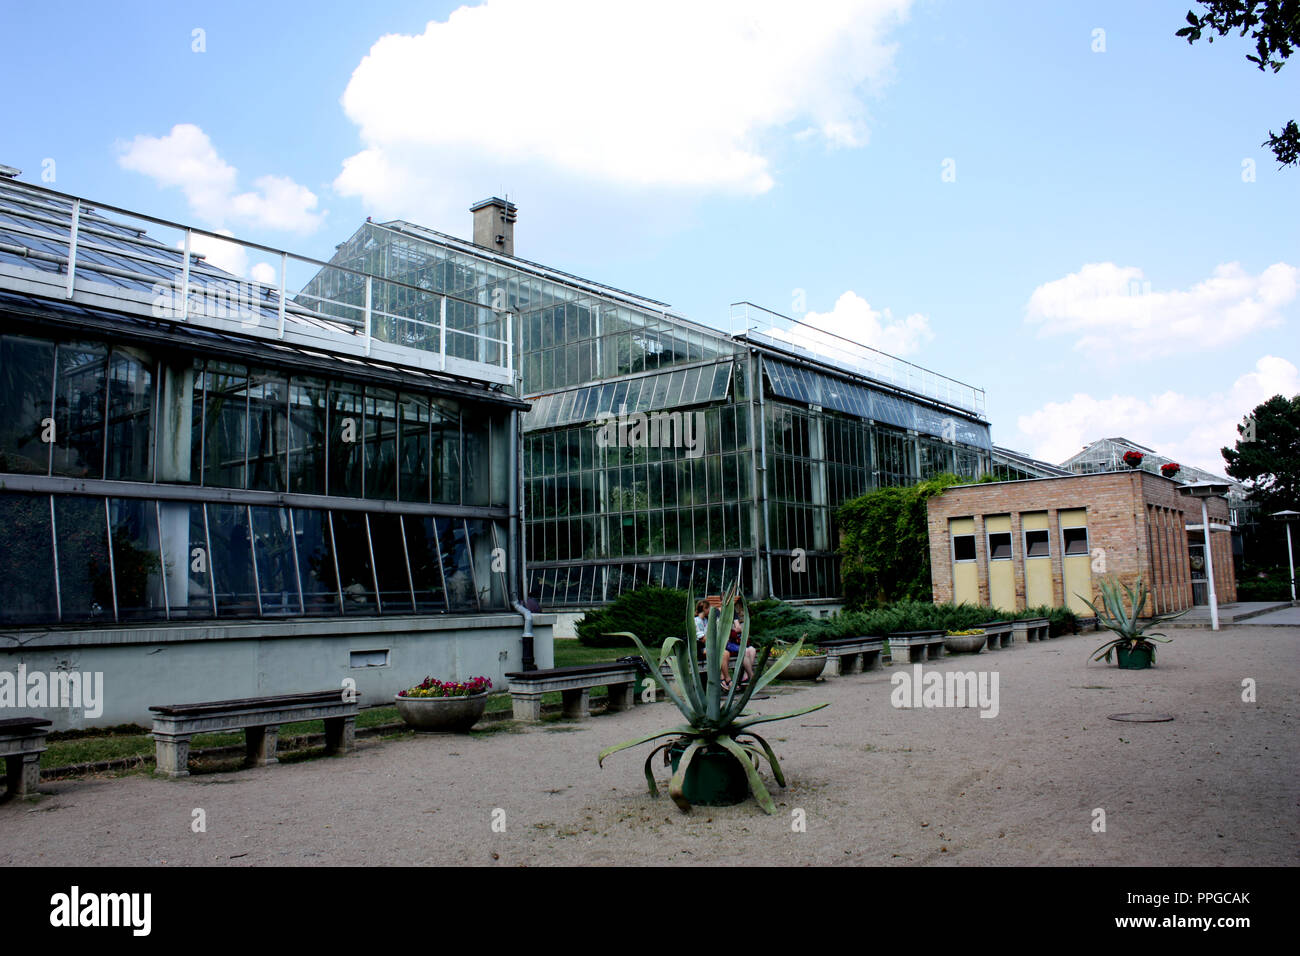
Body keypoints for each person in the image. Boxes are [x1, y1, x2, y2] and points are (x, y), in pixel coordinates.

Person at [721, 601, 757, 690]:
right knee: (744, 651)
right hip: (727, 643)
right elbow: (724, 630)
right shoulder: (720, 612)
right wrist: (733, 629)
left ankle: (745, 675)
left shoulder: (733, 612)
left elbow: (738, 628)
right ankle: (751, 676)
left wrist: (732, 629)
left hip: (735, 641)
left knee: (752, 650)